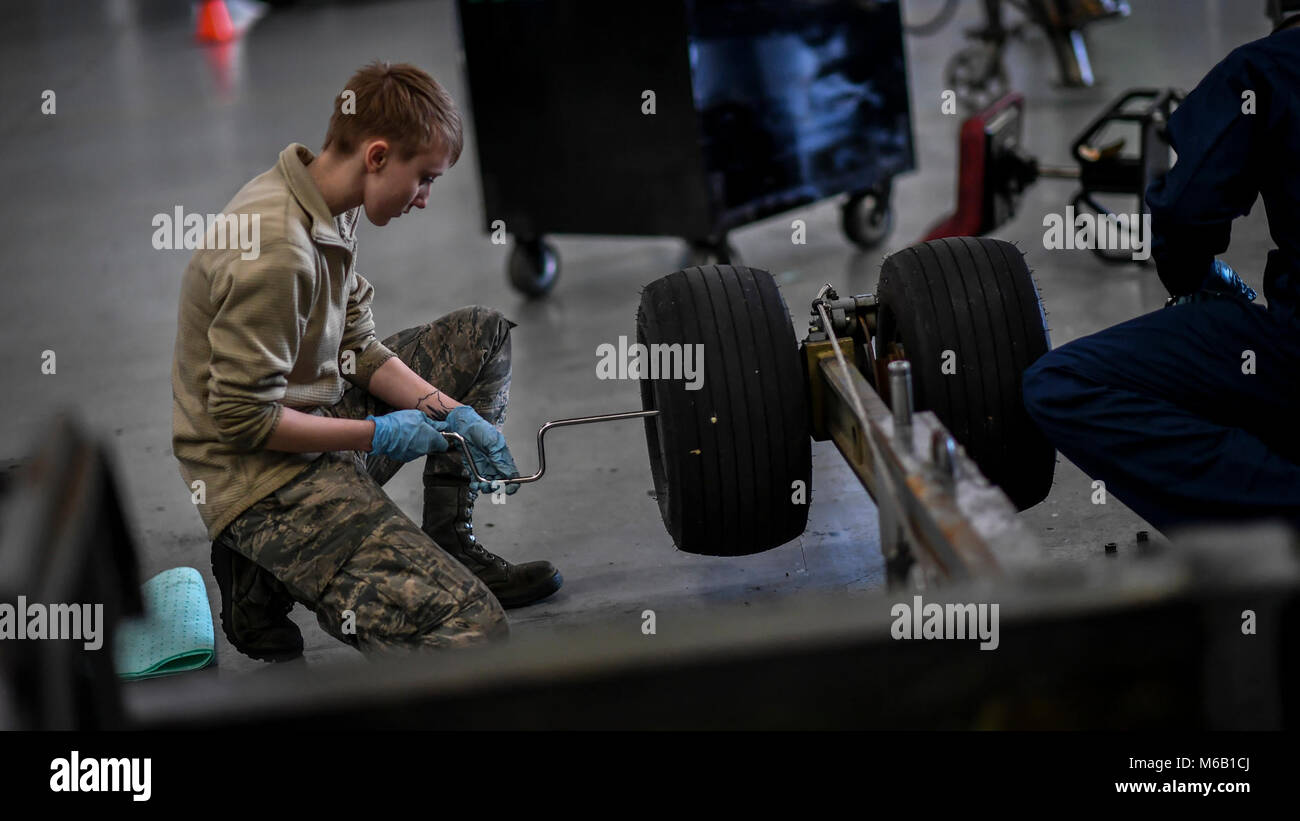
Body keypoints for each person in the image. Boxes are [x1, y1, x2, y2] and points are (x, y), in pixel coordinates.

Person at [171, 61, 562, 661]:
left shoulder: (332, 201)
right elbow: (242, 422)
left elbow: (355, 345)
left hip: (312, 415)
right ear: (377, 156)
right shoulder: (277, 251)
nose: (426, 199)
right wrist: (379, 432)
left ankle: (442, 542)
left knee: (482, 336)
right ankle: (283, 565)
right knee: (470, 629)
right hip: (265, 478)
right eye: (424, 178)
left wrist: (451, 414)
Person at [1022, 16, 1300, 533]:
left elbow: (1187, 213)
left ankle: (1280, 515)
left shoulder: (1263, 70)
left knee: (1062, 382)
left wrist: (1196, 276)